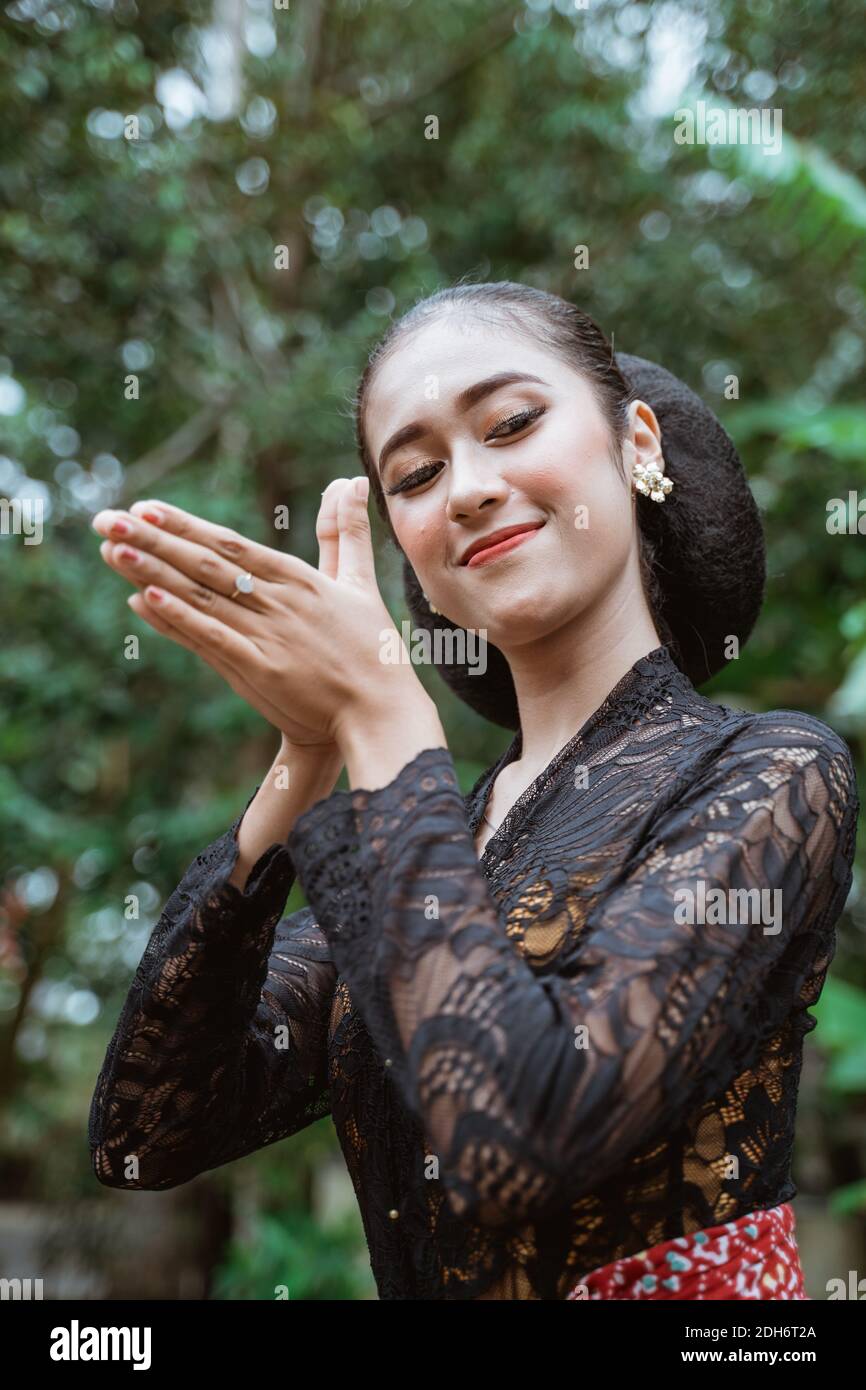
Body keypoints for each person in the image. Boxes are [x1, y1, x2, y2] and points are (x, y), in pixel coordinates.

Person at [88, 281, 858, 1301]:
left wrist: (385, 719)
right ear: (410, 553)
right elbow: (145, 1134)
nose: (465, 488)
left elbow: (524, 1139)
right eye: (414, 474)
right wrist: (307, 756)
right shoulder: (433, 847)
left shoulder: (773, 773)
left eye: (510, 423)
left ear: (635, 443)